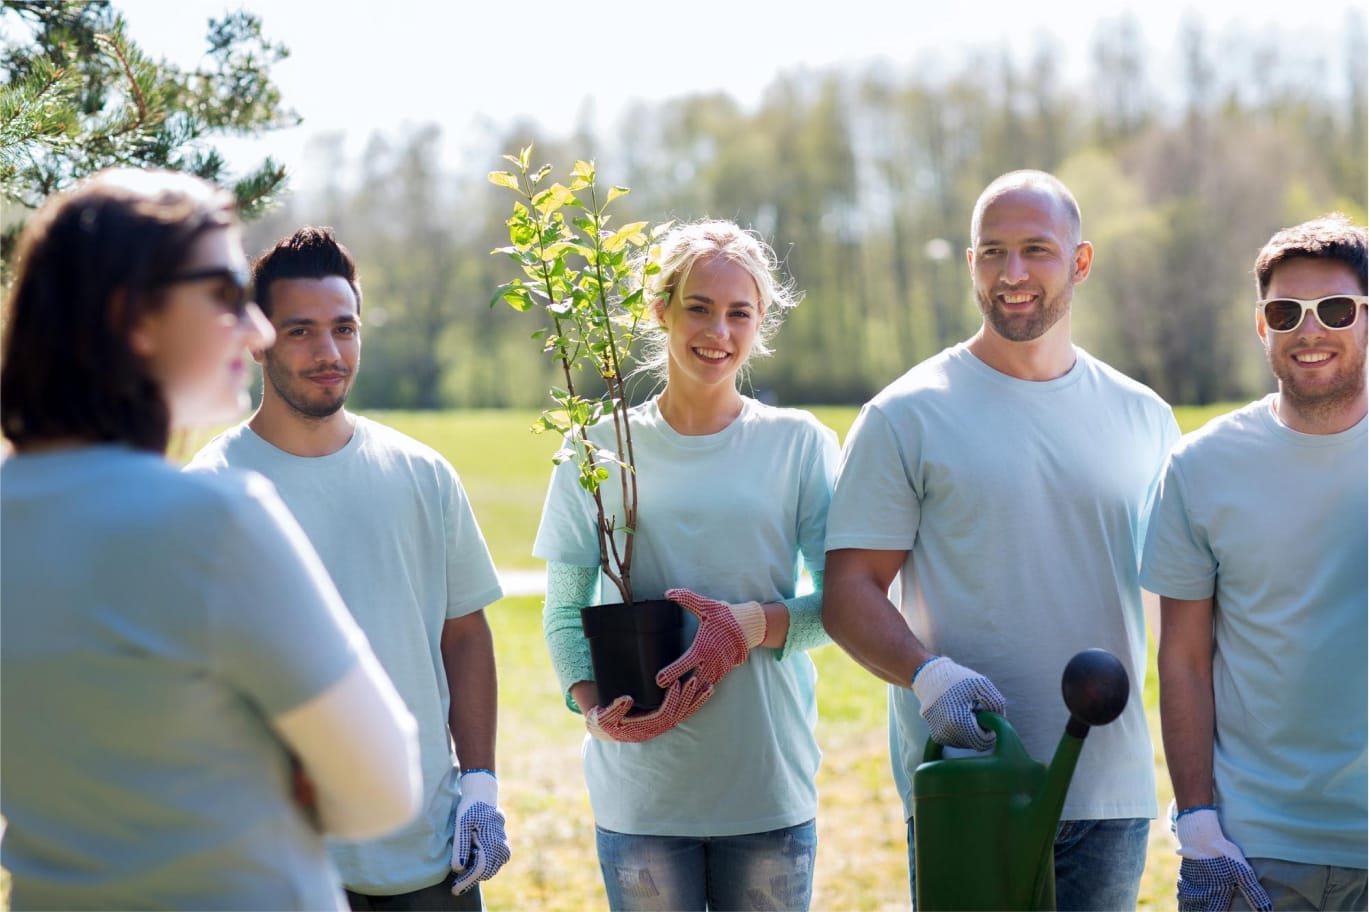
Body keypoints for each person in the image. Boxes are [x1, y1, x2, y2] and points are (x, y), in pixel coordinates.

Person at [0, 169, 422, 910]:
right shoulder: (215, 522)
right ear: (133, 314)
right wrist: (273, 763)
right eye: (228, 293)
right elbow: (385, 791)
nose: (257, 330)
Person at [822, 170, 1179, 910]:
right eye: (991, 253)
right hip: (969, 780)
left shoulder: (1144, 417)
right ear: (970, 264)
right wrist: (927, 676)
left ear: (1079, 262)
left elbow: (1184, 605)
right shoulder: (904, 416)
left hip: (1109, 787)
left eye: (1034, 251)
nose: (1011, 275)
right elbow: (848, 591)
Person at [186, 226, 509, 910]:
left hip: (430, 850)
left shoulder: (423, 474)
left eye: (344, 328)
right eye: (300, 331)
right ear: (256, 337)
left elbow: (464, 635)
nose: (328, 353)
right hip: (281, 861)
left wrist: (479, 783)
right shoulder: (209, 489)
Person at [533, 219, 839, 911]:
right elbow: (562, 607)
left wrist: (749, 625)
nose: (718, 331)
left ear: (761, 323)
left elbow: (841, 607)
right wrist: (592, 709)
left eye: (740, 313)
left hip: (765, 784)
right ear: (658, 308)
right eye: (698, 306)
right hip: (642, 794)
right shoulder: (595, 451)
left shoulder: (800, 446)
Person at [1141, 215, 1367, 912]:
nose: (1308, 331)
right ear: (1259, 325)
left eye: (1333, 310)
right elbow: (1180, 659)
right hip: (1252, 848)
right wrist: (1198, 823)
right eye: (1283, 311)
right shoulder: (1199, 466)